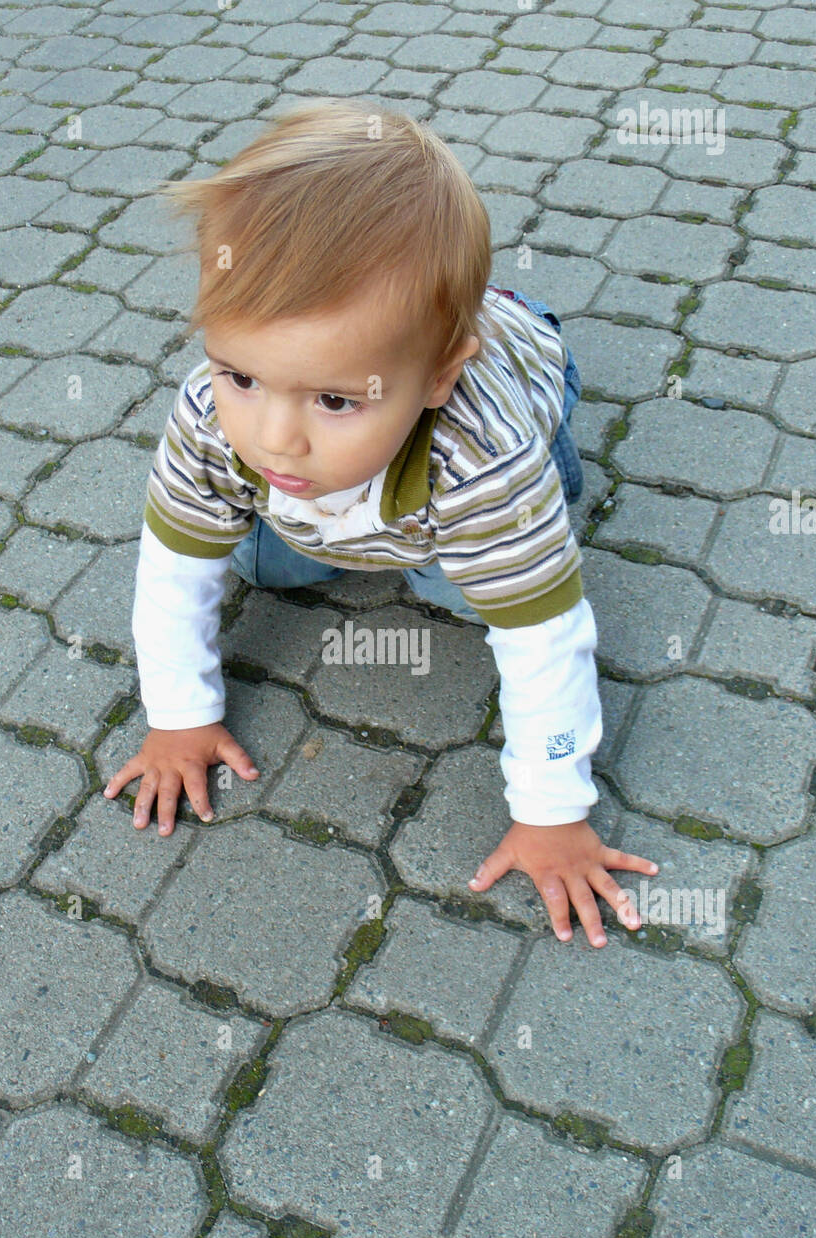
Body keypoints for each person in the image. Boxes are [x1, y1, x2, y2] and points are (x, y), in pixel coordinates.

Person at [103, 98, 657, 948]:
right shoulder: (216, 418)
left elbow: (545, 636)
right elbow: (173, 567)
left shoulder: (483, 454)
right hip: (377, 488)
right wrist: (178, 714)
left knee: (484, 593)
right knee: (260, 564)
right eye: (240, 373)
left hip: (523, 374)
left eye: (332, 399)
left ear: (436, 378)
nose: (273, 435)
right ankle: (353, 496)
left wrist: (554, 814)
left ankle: (514, 370)